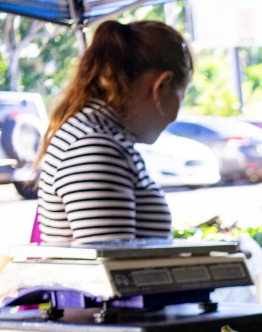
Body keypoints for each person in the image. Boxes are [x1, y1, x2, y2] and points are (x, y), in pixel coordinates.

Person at [36, 21, 192, 243]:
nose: (177, 112)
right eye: (183, 93)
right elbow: (115, 267)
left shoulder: (100, 137)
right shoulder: (95, 147)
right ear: (162, 85)